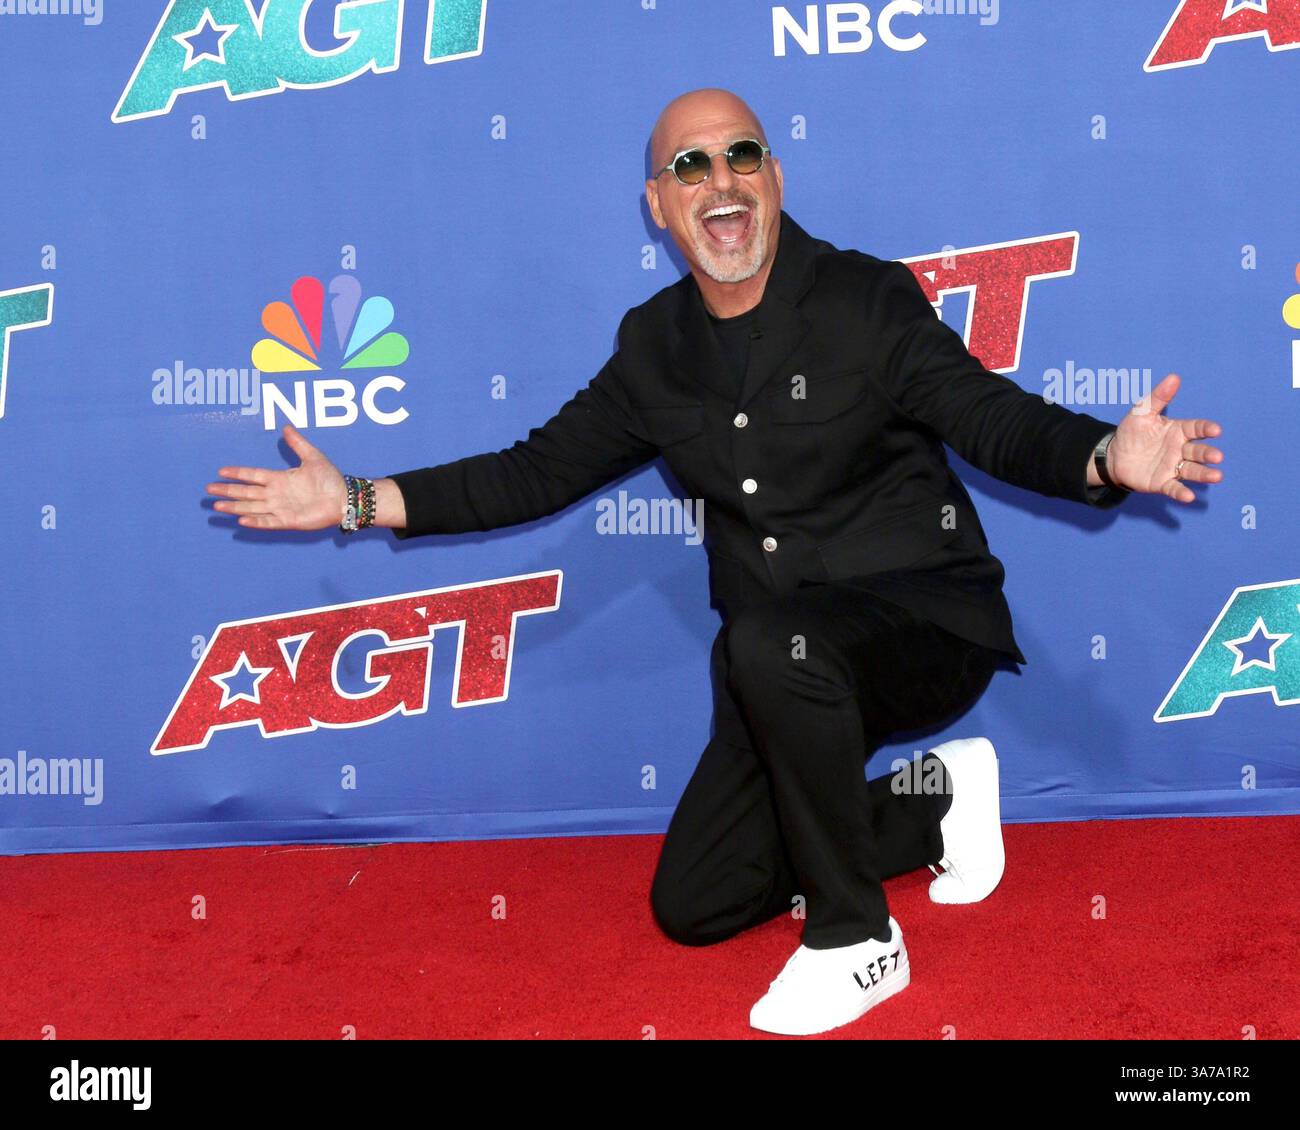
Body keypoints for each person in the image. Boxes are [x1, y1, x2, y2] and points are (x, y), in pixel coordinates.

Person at [207, 88, 1225, 1036]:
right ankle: (931, 800)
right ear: (658, 205)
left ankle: (857, 937)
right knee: (695, 902)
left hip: (923, 625)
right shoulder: (652, 348)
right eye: (689, 166)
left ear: (774, 179)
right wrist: (348, 499)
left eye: (741, 156)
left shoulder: (866, 301)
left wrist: (1101, 454)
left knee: (773, 641)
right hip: (774, 664)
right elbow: (534, 472)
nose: (720, 182)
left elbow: (990, 416)